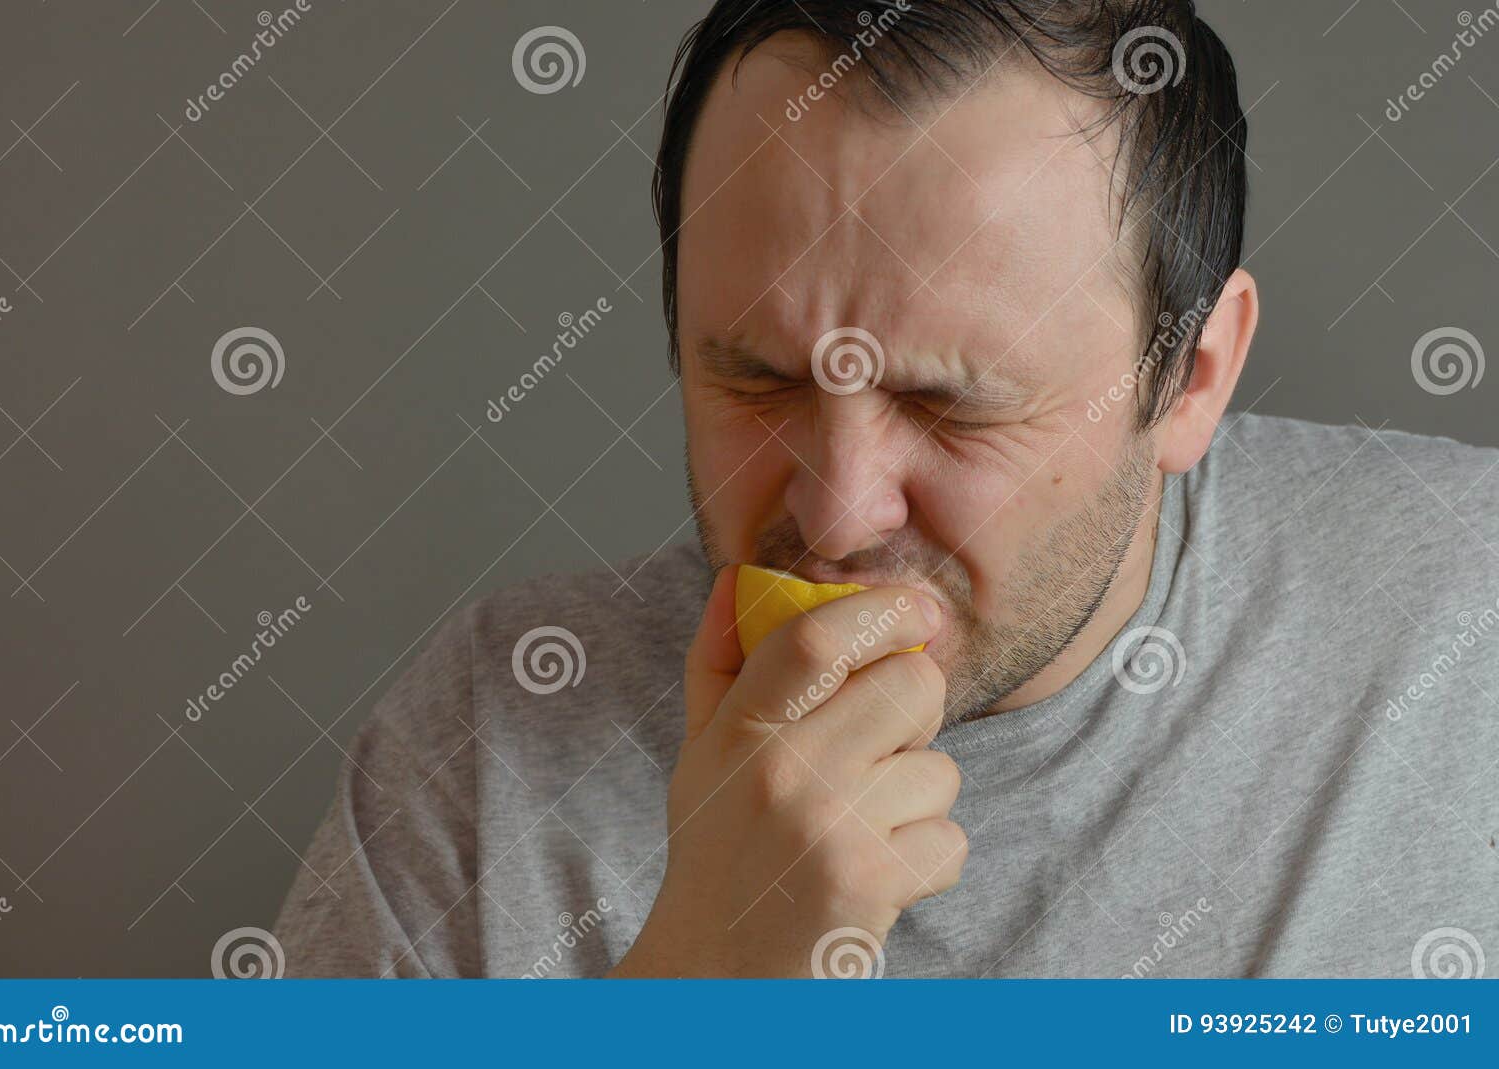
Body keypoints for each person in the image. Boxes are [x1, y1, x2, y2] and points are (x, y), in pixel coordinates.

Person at [275, 0, 1498, 978]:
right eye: (757, 381)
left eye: (948, 405)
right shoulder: (483, 752)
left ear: (1191, 378)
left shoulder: (1466, 616)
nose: (836, 511)